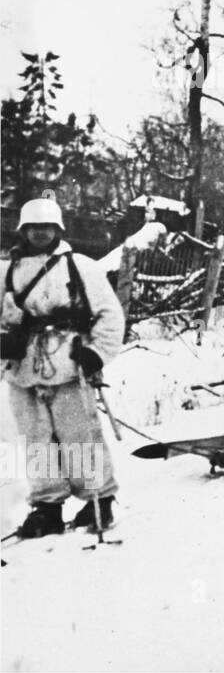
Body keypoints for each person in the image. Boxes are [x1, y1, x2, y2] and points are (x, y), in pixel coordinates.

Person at [2, 199, 126, 537]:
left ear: (58, 230)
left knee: (79, 436)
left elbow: (109, 314)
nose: (39, 233)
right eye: (32, 227)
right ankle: (47, 506)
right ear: (23, 230)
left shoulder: (80, 266)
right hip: (23, 368)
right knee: (35, 440)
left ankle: (97, 500)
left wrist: (97, 353)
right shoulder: (7, 270)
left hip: (70, 365)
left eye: (47, 227)